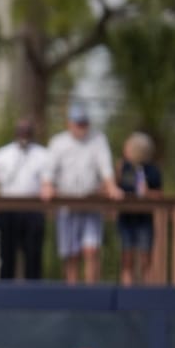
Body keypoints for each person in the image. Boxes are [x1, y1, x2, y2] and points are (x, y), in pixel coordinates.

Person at [43, 103, 122, 285]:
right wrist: (47, 187)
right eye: (78, 123)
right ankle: (73, 295)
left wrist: (111, 187)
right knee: (71, 254)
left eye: (84, 123)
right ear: (69, 123)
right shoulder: (58, 142)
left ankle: (91, 294)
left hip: (91, 202)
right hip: (66, 204)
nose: (81, 127)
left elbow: (105, 167)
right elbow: (48, 172)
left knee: (91, 250)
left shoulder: (98, 139)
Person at [0, 119, 52, 281]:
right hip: (8, 210)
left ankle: (33, 294)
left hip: (33, 210)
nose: (24, 135)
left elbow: (47, 183)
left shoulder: (43, 154)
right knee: (7, 254)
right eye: (21, 131)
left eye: (27, 131)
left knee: (33, 254)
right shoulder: (1, 154)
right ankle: (5, 291)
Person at [114, 132, 161, 286]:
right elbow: (115, 188)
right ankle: (127, 291)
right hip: (126, 218)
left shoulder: (152, 170)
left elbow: (159, 193)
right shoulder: (123, 168)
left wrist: (147, 192)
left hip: (144, 220)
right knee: (127, 258)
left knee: (145, 258)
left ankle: (147, 292)